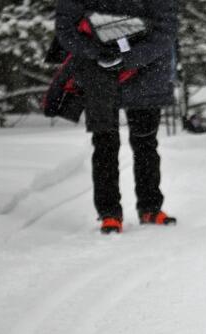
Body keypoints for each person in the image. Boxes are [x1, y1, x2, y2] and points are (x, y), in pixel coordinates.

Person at [55, 0, 179, 235]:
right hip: (97, 74)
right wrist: (97, 53)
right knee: (104, 145)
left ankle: (150, 207)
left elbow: (166, 31)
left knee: (145, 143)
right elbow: (66, 30)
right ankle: (109, 214)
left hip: (148, 73)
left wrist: (128, 58)